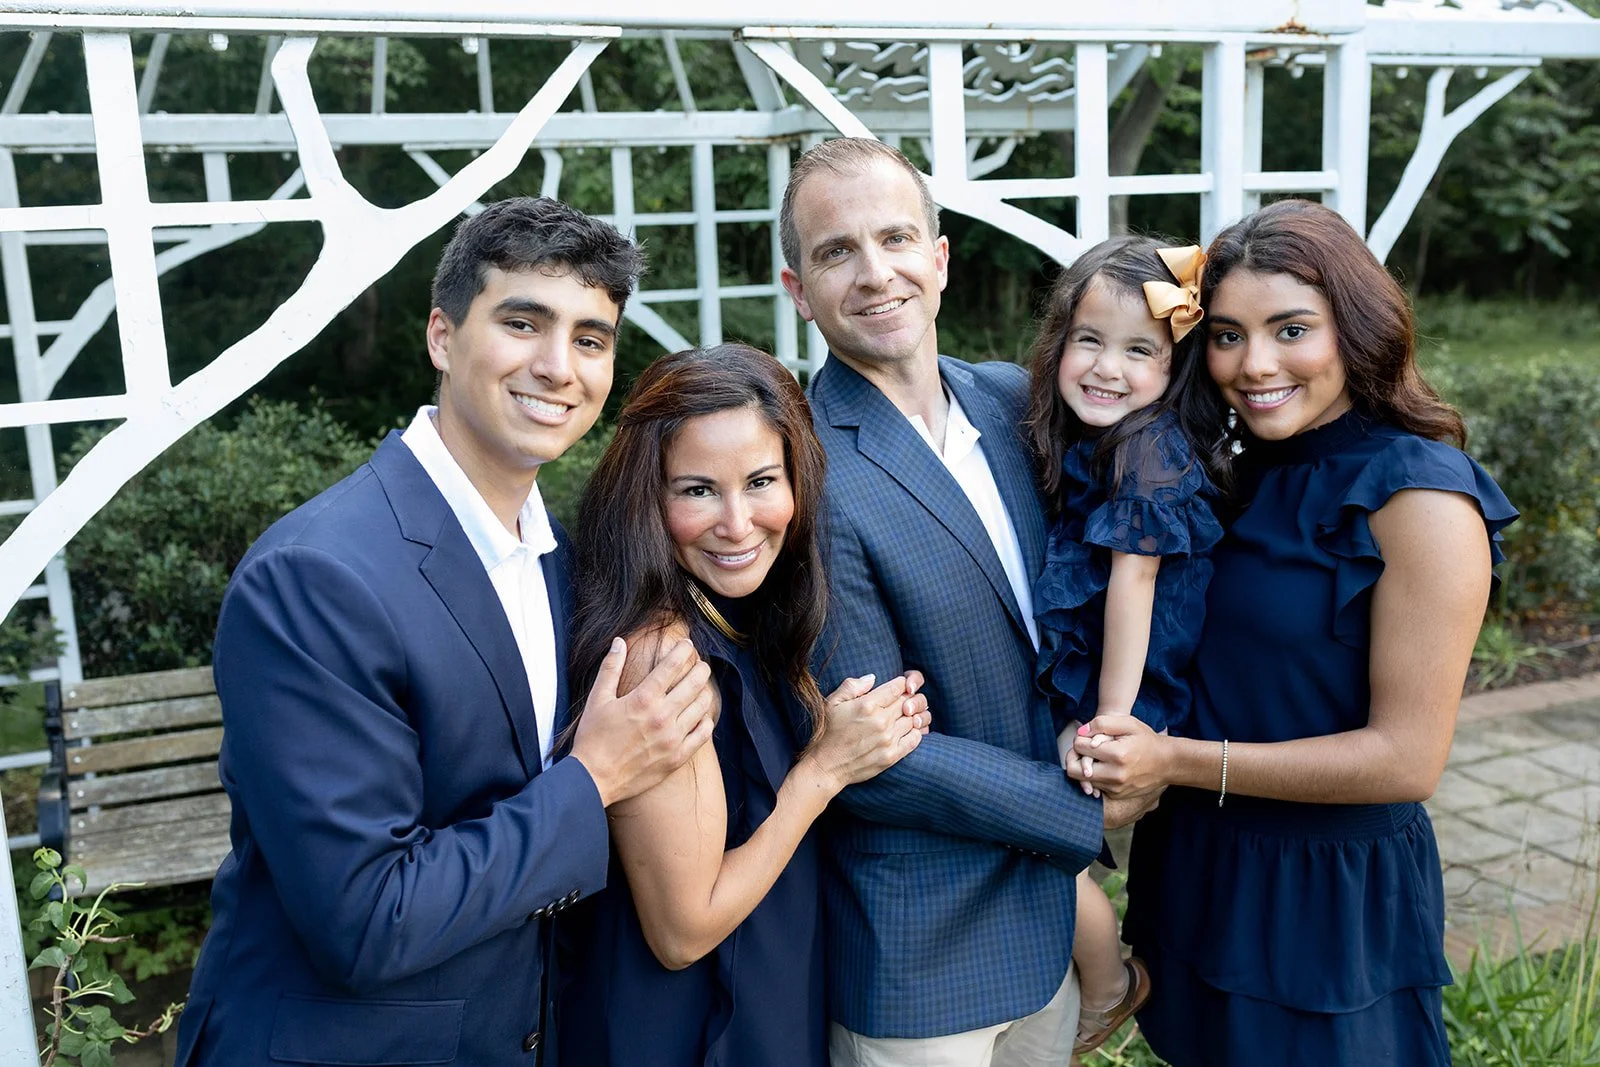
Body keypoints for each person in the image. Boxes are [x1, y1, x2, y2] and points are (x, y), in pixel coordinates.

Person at [174, 197, 718, 1067]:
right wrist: (598, 776)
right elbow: (366, 918)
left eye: (590, 337)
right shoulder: (318, 577)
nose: (557, 366)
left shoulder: (561, 561)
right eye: (522, 322)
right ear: (441, 335)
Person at [1069, 198, 1518, 1066]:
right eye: (1229, 334)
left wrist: (1176, 760)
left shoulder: (1418, 497)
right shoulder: (1228, 466)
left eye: (1291, 329)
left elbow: (1406, 758)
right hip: (1201, 864)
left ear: (1357, 326)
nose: (1255, 363)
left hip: (1320, 895)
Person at [778, 135, 1104, 1065]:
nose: (875, 272)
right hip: (919, 954)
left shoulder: (1015, 400)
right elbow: (879, 754)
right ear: (800, 289)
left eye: (895, 238)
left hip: (1044, 929)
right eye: (837, 251)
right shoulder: (799, 463)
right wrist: (1095, 810)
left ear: (940, 257)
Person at [557, 343, 931, 1066]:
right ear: (647, 496)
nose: (736, 521)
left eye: (761, 480)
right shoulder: (663, 659)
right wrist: (820, 775)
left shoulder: (744, 617)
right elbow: (682, 930)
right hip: (683, 1034)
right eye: (696, 490)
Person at [1021, 235, 1229, 1054]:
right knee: (1048, 834)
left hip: (1129, 685)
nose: (1108, 368)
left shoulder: (1147, 452)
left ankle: (1111, 981)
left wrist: (1111, 719)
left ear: (1173, 365)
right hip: (1110, 668)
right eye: (1089, 341)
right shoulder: (1108, 439)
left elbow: (1135, 587)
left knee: (1038, 841)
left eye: (1139, 350)